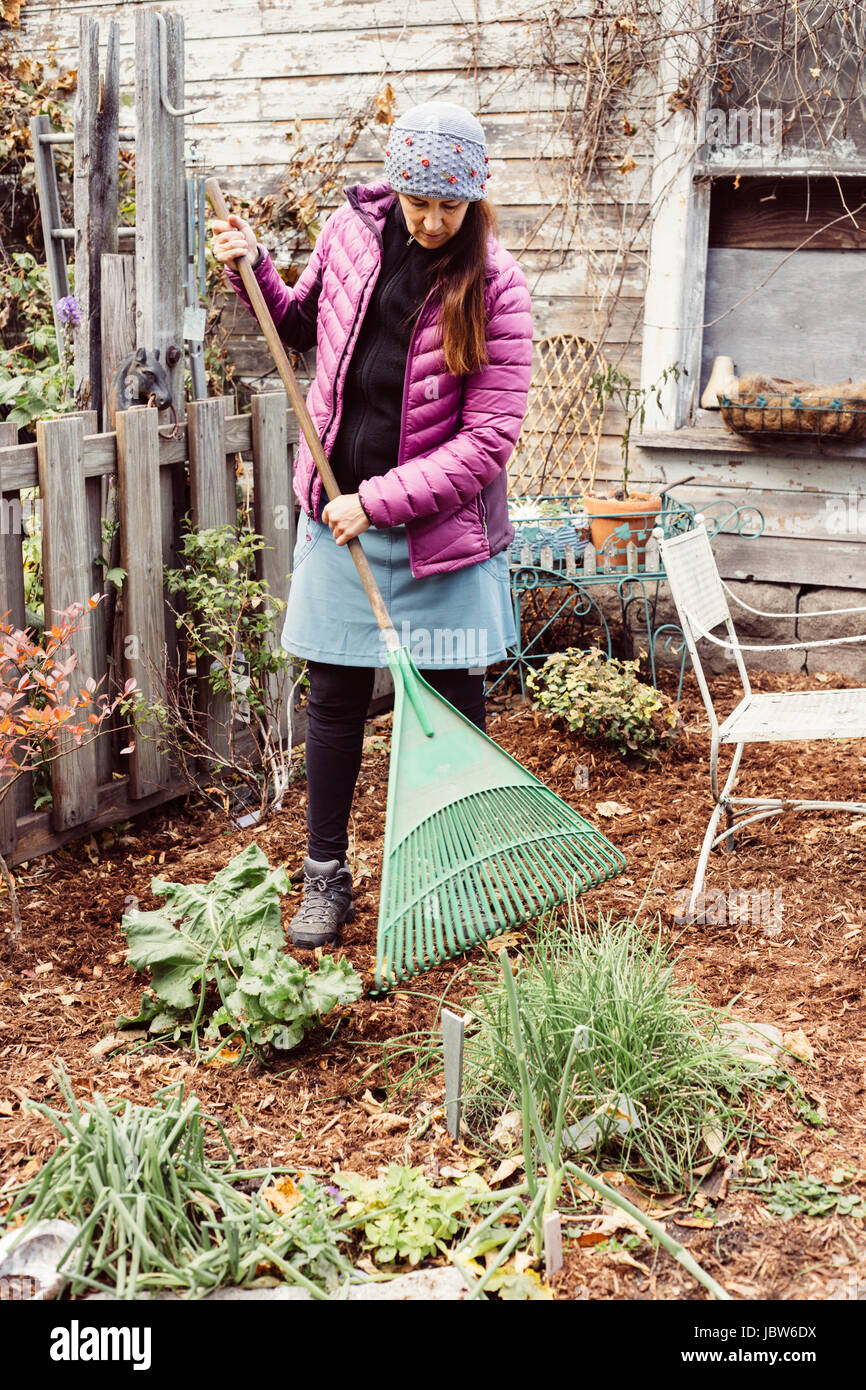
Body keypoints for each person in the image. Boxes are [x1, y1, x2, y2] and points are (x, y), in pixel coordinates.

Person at [211, 101, 533, 949]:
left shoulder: (495, 284)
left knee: (456, 705)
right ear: (395, 184)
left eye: (449, 207)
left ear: (475, 198)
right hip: (338, 516)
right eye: (418, 200)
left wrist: (379, 500)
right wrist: (252, 269)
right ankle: (326, 881)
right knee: (335, 699)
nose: (431, 221)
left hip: (445, 537)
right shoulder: (351, 235)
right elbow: (297, 326)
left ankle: (447, 875)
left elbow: (490, 439)